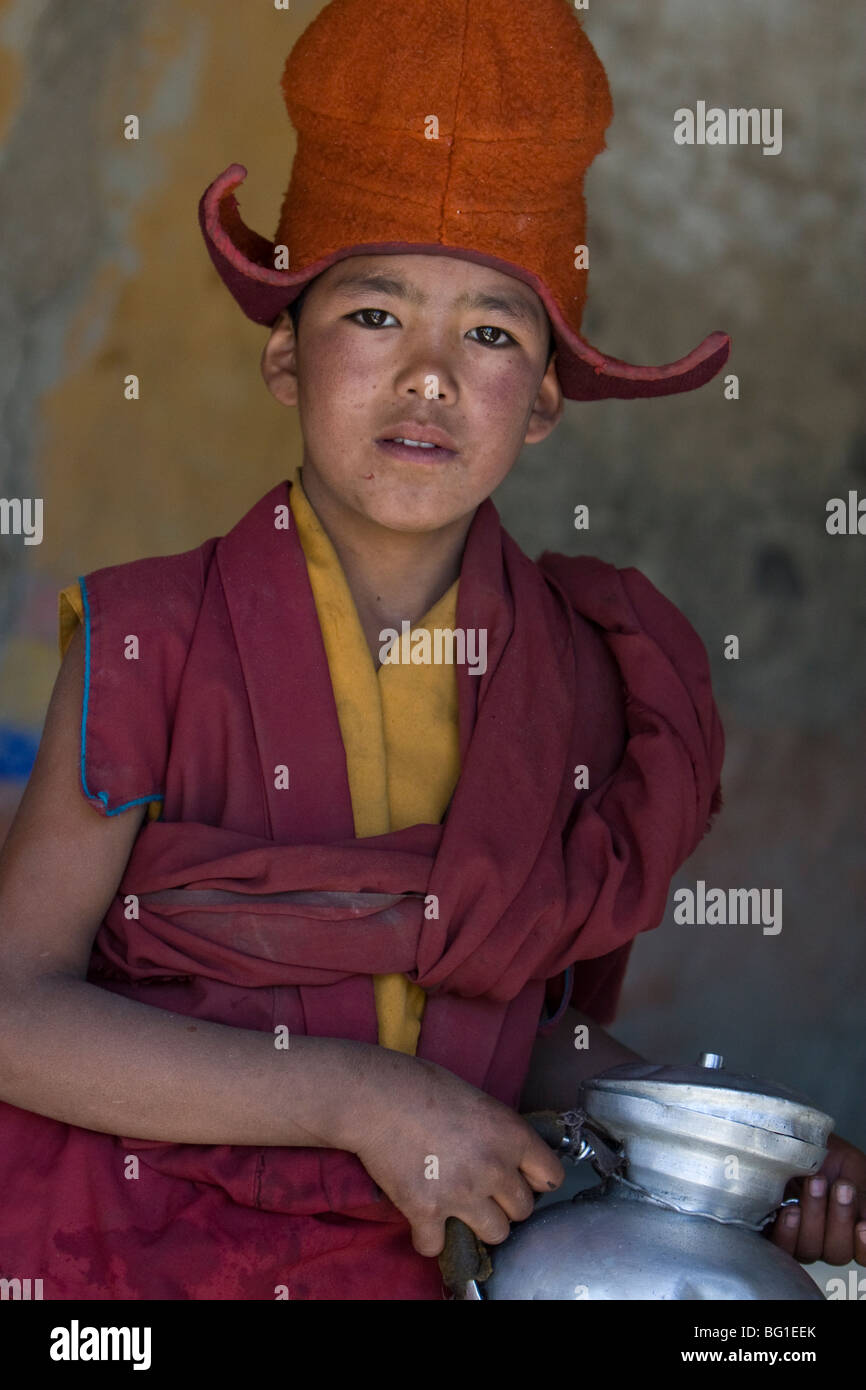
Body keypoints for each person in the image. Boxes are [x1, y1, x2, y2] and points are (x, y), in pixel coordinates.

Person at [0, 0, 862, 1301]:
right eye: (373, 315)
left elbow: (528, 1037)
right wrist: (361, 1098)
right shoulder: (145, 638)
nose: (428, 377)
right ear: (283, 350)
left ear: (547, 402)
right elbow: (13, 1010)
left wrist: (735, 1153)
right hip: (117, 1262)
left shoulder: (583, 677)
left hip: (421, 1264)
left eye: (491, 334)